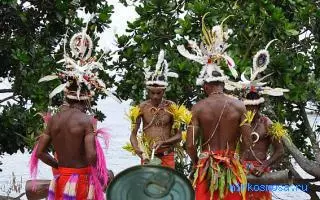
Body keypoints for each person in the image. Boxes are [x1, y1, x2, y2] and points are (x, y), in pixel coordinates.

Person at [29, 27, 113, 200]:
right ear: (87, 97)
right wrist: (102, 174)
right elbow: (91, 156)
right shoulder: (86, 121)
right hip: (81, 182)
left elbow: (39, 153)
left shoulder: (53, 120)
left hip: (61, 180)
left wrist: (59, 166)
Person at [177, 15, 253, 200]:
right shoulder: (239, 106)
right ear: (223, 84)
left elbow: (190, 145)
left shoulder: (198, 108)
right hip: (232, 166)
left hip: (206, 167)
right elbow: (248, 141)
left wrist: (197, 162)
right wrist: (239, 160)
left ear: (205, 86)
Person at [232, 41, 288, 200]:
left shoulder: (267, 123)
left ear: (260, 106)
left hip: (259, 170)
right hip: (239, 169)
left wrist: (263, 167)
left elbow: (280, 151)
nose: (250, 111)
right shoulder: (238, 121)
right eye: (247, 107)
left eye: (253, 107)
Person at [128, 49, 186, 169]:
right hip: (148, 157)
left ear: (164, 91)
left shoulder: (172, 108)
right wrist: (138, 149)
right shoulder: (141, 108)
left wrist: (164, 143)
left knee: (167, 187)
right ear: (147, 91)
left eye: (158, 93)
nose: (155, 96)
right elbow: (133, 134)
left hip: (167, 155)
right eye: (152, 93)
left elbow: (179, 135)